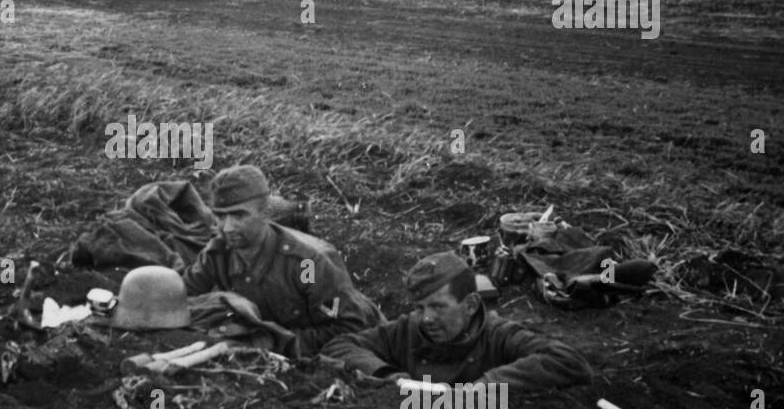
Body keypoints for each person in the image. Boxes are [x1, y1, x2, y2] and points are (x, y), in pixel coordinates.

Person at [181, 165, 381, 358]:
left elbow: (350, 329)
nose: (228, 227)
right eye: (220, 216)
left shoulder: (307, 264)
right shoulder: (218, 254)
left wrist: (273, 343)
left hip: (364, 345)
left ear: (266, 212)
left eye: (239, 215)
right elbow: (183, 295)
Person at [321, 251, 591, 388]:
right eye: (420, 307)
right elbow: (339, 346)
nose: (427, 318)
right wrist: (392, 378)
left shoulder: (498, 334)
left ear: (471, 304)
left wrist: (487, 384)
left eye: (439, 307)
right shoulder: (406, 329)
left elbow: (569, 362)